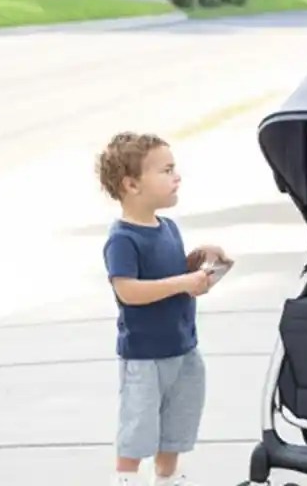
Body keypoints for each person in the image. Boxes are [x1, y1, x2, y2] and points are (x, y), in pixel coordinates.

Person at [96, 132, 232, 486]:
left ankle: (167, 477)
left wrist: (196, 263)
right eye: (166, 170)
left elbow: (167, 275)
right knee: (138, 424)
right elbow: (128, 291)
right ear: (131, 185)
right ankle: (125, 478)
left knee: (178, 423)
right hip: (146, 356)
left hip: (183, 346)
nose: (177, 177)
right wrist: (183, 283)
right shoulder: (123, 239)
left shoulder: (167, 227)